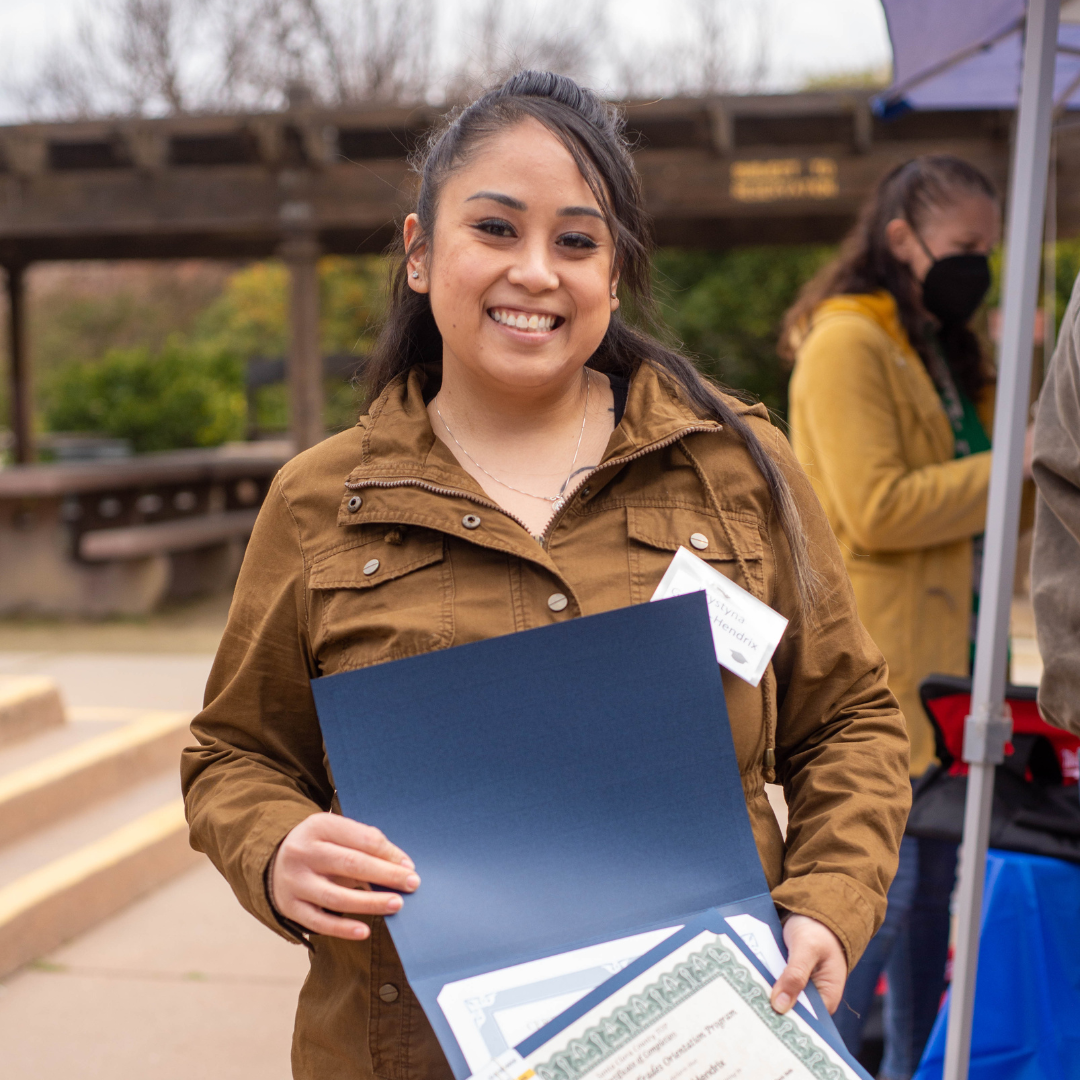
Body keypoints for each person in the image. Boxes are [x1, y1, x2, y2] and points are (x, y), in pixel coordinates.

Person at [181, 71, 910, 1080]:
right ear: (422, 253)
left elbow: (850, 722)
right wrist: (275, 845)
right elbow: (234, 754)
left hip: (707, 1035)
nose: (536, 271)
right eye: (495, 228)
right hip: (409, 1050)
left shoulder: (737, 470)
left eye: (576, 240)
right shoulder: (320, 501)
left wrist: (829, 898)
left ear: (614, 276)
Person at [783, 156, 1014, 1079]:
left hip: (952, 680)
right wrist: (1020, 462)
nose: (980, 267)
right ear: (902, 241)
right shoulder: (848, 344)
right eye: (965, 248)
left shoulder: (940, 351)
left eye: (989, 250)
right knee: (884, 909)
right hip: (881, 681)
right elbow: (876, 506)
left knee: (927, 929)